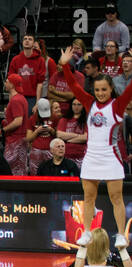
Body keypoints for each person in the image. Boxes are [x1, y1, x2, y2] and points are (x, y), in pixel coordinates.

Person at [60, 46, 132, 247]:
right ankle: (88, 232)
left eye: (104, 90)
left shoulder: (118, 105)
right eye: (98, 90)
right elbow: (74, 85)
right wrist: (65, 65)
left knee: (116, 197)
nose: (100, 93)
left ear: (111, 90)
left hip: (111, 156)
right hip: (91, 156)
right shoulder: (89, 102)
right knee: (88, 197)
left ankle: (121, 235)